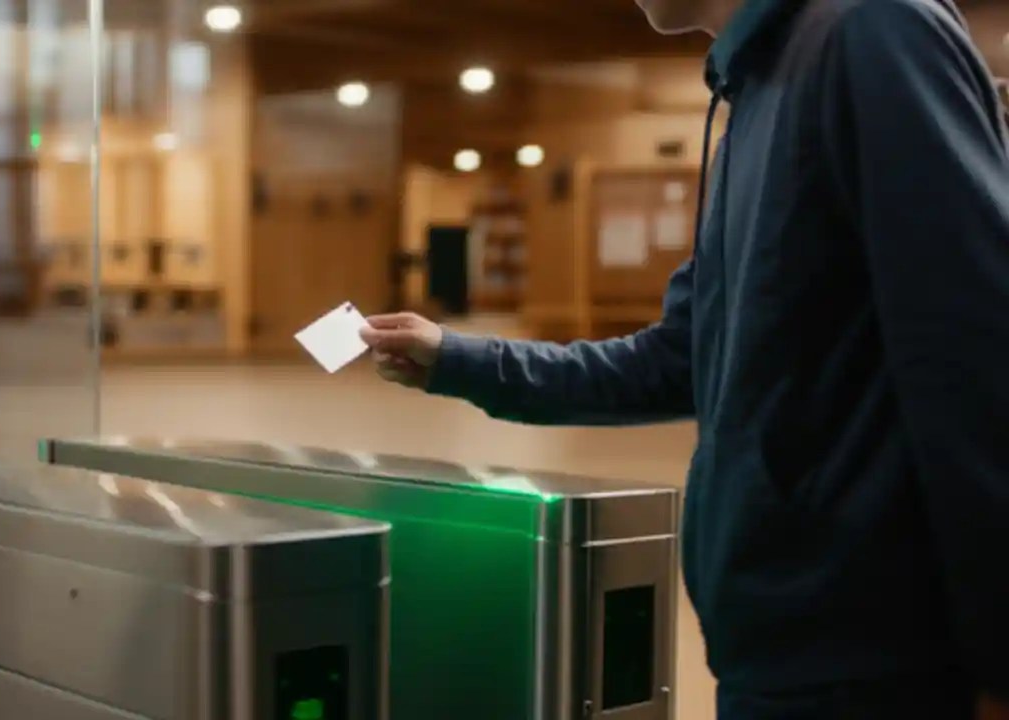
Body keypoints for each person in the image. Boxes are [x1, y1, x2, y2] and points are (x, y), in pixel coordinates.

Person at [361, 0, 1009, 717]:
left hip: (877, 665)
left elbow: (978, 357)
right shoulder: (756, 88)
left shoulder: (874, 29)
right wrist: (458, 358)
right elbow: (678, 358)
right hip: (772, 647)